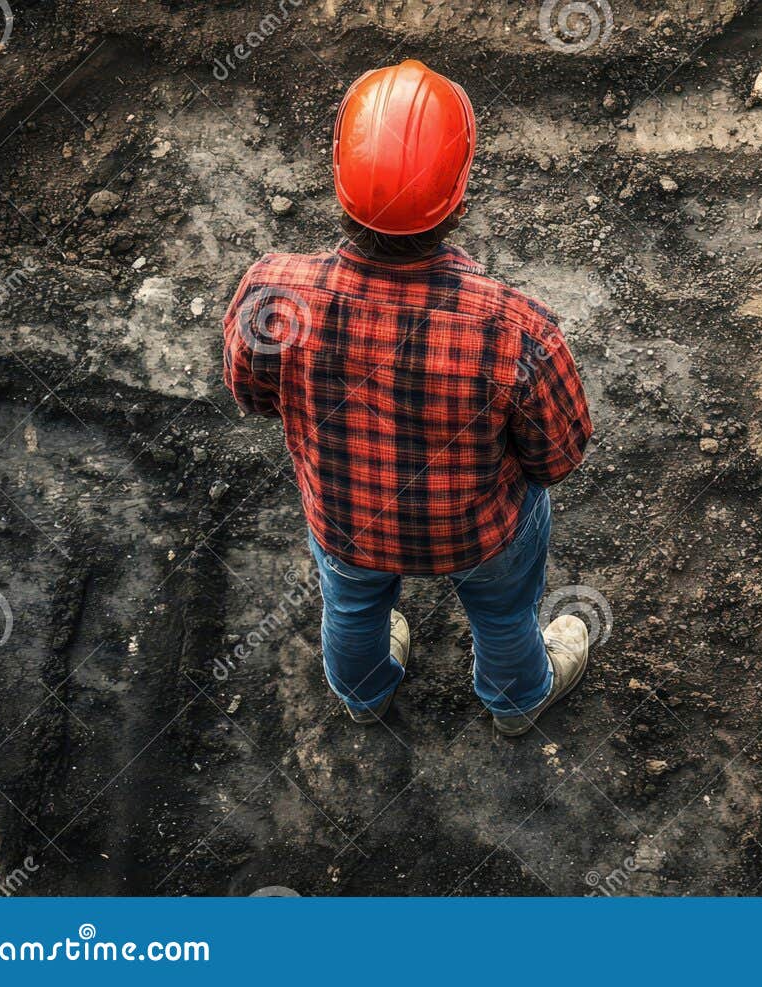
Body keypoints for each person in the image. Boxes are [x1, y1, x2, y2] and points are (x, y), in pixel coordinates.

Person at [221, 60, 593, 735]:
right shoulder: (515, 329)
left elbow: (251, 394)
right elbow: (557, 457)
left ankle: (364, 698)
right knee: (505, 612)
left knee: (353, 608)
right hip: (477, 533)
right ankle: (515, 702)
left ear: (337, 182)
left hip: (345, 521)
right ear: (460, 195)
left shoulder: (273, 293)